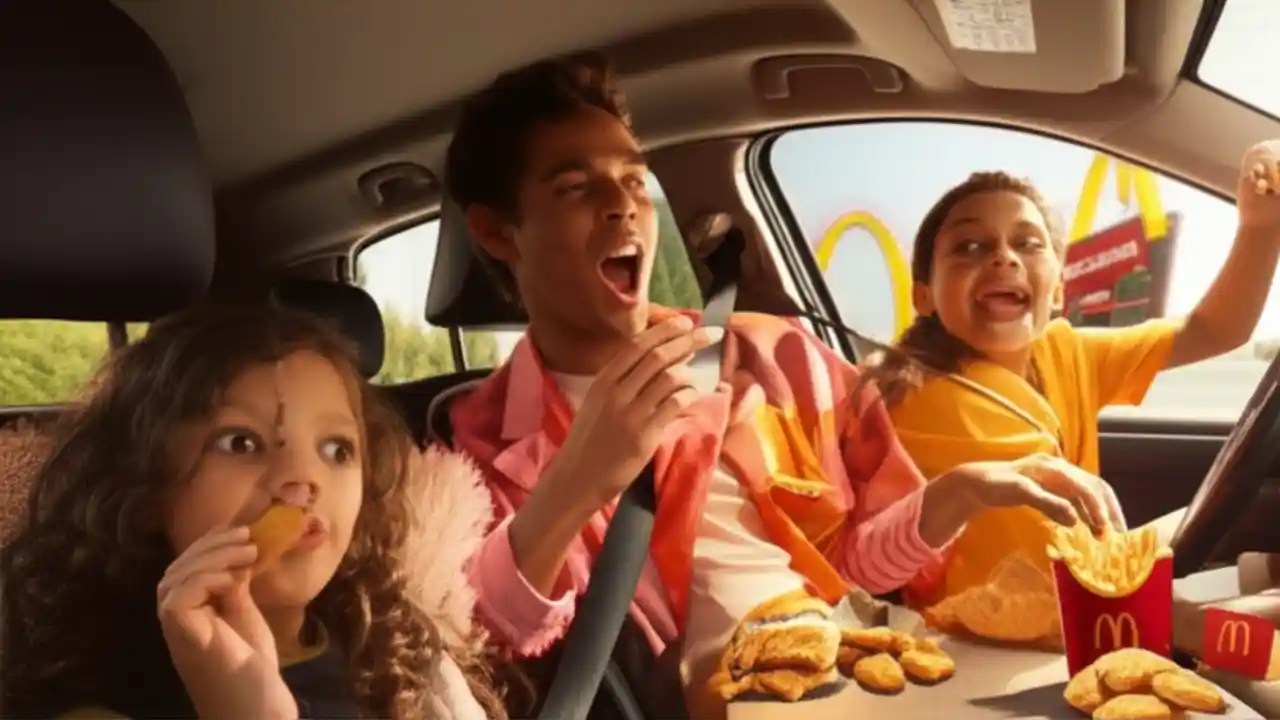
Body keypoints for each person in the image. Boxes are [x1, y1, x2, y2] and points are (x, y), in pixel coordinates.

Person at [442, 52, 1128, 717]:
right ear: (498, 232)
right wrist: (578, 480)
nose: (624, 207)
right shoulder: (474, 442)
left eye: (632, 180)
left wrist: (959, 491)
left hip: (861, 663)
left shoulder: (773, 358)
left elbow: (854, 570)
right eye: (575, 187)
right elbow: (479, 646)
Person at [0, 304, 504, 720]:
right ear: (145, 490)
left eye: (336, 451)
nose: (302, 478)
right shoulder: (100, 704)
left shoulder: (404, 665)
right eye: (241, 442)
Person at [861, 153, 1280, 616]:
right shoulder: (922, 399)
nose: (1004, 256)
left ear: (1059, 289)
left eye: (1028, 243)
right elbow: (1067, 592)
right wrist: (1225, 616)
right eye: (970, 247)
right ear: (924, 295)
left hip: (1083, 590)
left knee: (1244, 524)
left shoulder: (1064, 351)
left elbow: (1212, 330)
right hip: (997, 636)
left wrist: (1260, 227)